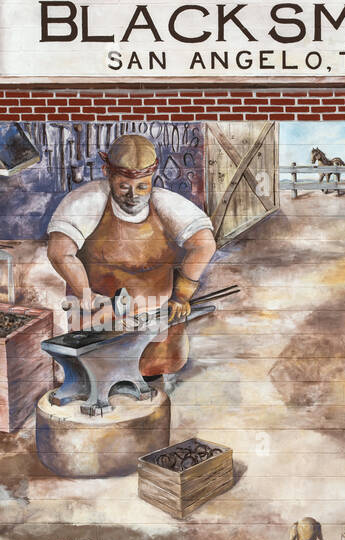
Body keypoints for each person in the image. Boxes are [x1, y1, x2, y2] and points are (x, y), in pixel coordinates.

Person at [45, 133, 217, 377]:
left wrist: (181, 295)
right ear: (108, 173)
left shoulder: (166, 205)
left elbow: (204, 244)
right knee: (100, 376)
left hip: (157, 323)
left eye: (142, 186)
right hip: (102, 323)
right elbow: (59, 252)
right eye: (123, 186)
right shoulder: (87, 201)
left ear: (152, 178)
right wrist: (85, 294)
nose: (133, 195)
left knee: (152, 379)